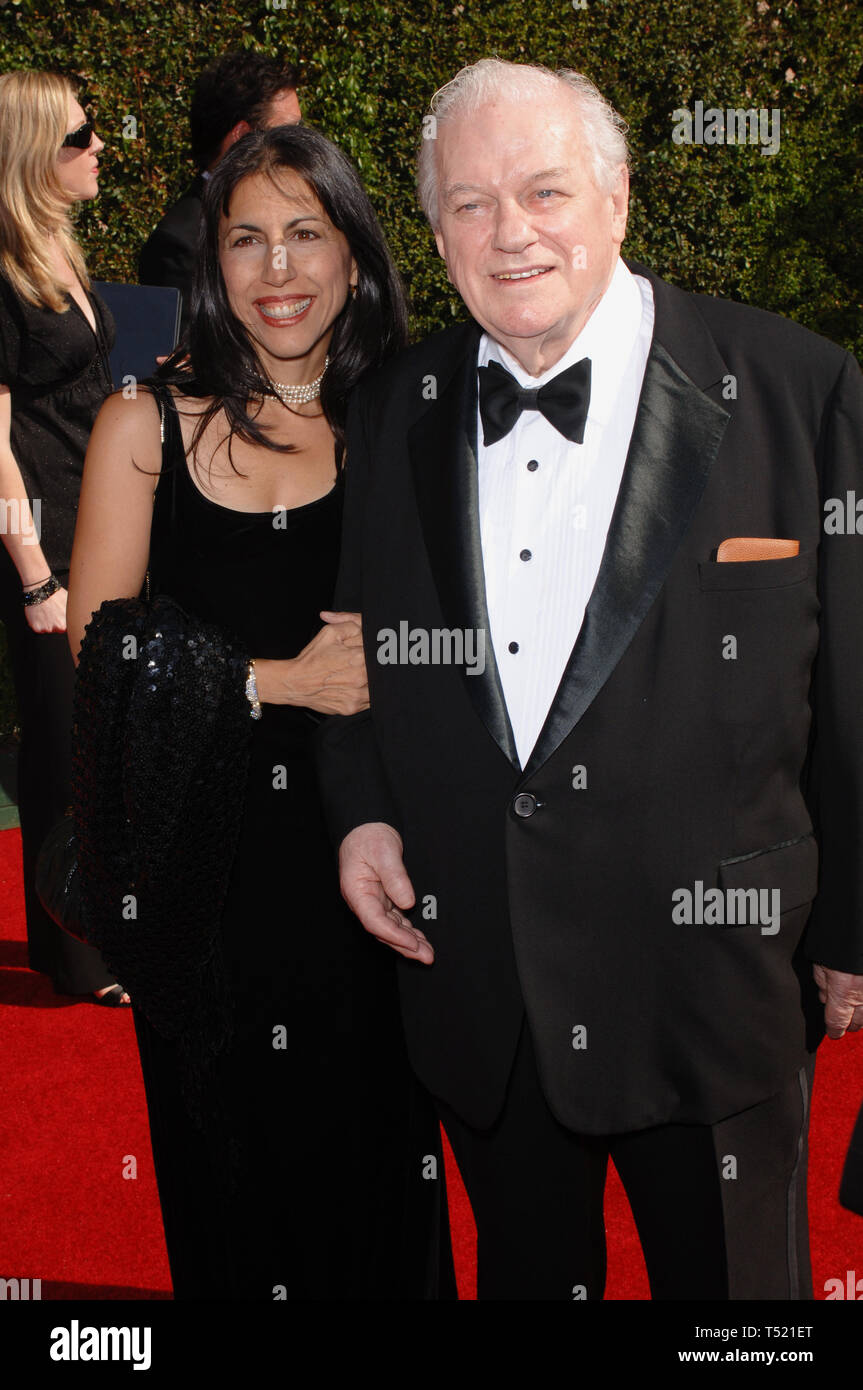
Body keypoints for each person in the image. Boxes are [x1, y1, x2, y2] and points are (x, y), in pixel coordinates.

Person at [316, 58, 863, 1300]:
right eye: (468, 203)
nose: (509, 233)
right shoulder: (393, 405)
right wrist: (361, 809)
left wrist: (853, 928)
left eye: (544, 190)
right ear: (434, 229)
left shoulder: (797, 388)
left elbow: (854, 698)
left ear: (617, 199)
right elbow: (358, 645)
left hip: (715, 986)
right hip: (482, 988)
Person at [67, 123, 454, 1300]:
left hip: (377, 853)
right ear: (211, 263)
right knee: (233, 1178)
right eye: (246, 241)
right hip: (208, 872)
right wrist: (276, 679)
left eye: (304, 235)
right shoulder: (145, 425)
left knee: (383, 1170)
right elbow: (97, 656)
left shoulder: (411, 418)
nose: (277, 270)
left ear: (354, 256)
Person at [0, 69, 128, 1005]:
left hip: (99, 520)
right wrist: (37, 577)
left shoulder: (57, 247)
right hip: (40, 534)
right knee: (62, 739)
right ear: (31, 153)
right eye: (80, 138)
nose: (98, 150)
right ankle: (75, 954)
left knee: (108, 733)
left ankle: (108, 927)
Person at [138, 50, 301, 331]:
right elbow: (181, 361)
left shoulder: (299, 217)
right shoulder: (181, 244)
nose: (300, 145)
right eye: (288, 132)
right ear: (241, 136)